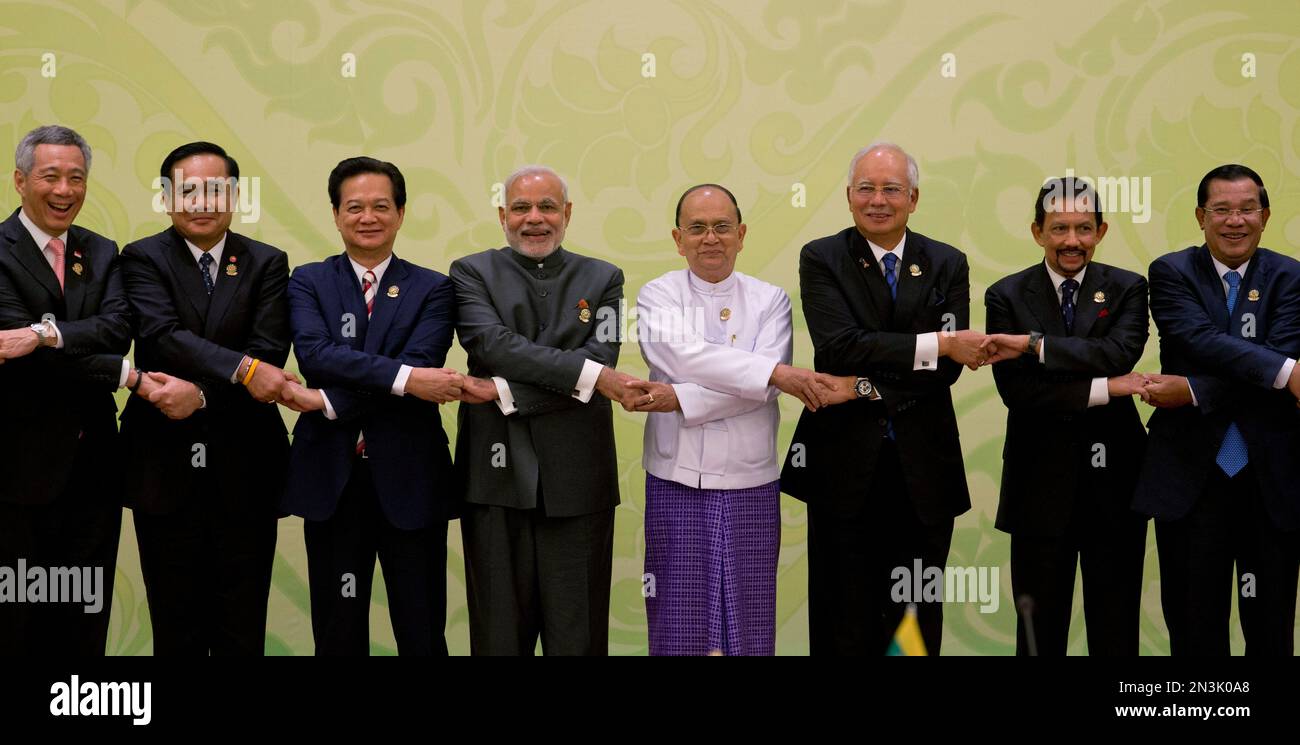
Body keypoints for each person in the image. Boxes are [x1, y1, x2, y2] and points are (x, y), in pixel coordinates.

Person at [780, 141, 983, 655]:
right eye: (866, 188)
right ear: (849, 197)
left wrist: (862, 385)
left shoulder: (946, 262)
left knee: (914, 618)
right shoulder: (822, 257)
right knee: (841, 612)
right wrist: (934, 343)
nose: (878, 200)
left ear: (913, 198)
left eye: (891, 189)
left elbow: (947, 370)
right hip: (842, 466)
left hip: (923, 467)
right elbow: (840, 344)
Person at [631, 183, 835, 655]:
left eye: (722, 227)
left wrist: (681, 400)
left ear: (741, 234)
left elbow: (759, 389)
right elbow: (684, 357)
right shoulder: (657, 294)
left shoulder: (770, 300)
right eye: (697, 228)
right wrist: (770, 374)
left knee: (749, 617)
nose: (710, 238)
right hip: (674, 476)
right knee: (676, 622)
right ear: (677, 238)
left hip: (750, 480)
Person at [278, 157, 460, 655]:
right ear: (336, 215)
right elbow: (316, 354)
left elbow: (423, 362)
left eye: (382, 206)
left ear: (401, 213)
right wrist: (403, 379)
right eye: (354, 207)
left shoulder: (435, 287)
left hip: (411, 478)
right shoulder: (307, 281)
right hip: (331, 480)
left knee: (421, 631)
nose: (368, 217)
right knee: (337, 632)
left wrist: (325, 399)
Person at [119, 141, 293, 654]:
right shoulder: (141, 258)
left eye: (214, 190)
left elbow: (268, 351)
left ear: (235, 196)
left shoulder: (266, 263)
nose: (201, 202)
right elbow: (163, 333)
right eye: (188, 190)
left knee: (243, 624)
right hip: (162, 464)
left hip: (246, 464)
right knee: (176, 624)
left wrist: (201, 396)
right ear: (168, 198)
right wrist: (241, 368)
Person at [450, 165, 631, 655]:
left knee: (579, 636)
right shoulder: (469, 272)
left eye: (548, 207)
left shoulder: (607, 279)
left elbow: (604, 361)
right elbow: (493, 345)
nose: (535, 218)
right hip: (494, 478)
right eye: (522, 207)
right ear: (502, 215)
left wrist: (502, 392)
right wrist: (582, 376)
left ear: (567, 213)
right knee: (497, 638)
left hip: (579, 480)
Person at [1135, 163, 1300, 655]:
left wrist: (1193, 391)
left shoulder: (1291, 277)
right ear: (1200, 217)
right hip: (1191, 479)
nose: (1235, 221)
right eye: (1221, 210)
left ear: (1265, 215)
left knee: (1271, 630)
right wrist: (1288, 374)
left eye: (1247, 209)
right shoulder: (1171, 272)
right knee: (1193, 628)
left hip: (1271, 479)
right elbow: (1198, 339)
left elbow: (1282, 347)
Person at [981, 176, 1150, 655]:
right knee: (1038, 633)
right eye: (1059, 228)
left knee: (1116, 626)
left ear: (1101, 231)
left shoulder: (1128, 288)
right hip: (1037, 485)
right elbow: (1021, 392)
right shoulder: (1006, 296)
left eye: (1083, 228)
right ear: (1037, 232)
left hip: (1116, 482)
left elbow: (1119, 354)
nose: (1071, 241)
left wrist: (1036, 346)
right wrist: (1106, 389)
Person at [0, 124, 132, 655]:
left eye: (76, 178)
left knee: (84, 620)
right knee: (17, 619)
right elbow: (19, 361)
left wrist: (43, 333)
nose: (65, 191)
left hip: (94, 465)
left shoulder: (101, 251)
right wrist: (127, 375)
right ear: (20, 180)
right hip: (16, 468)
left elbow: (118, 327)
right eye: (50, 176)